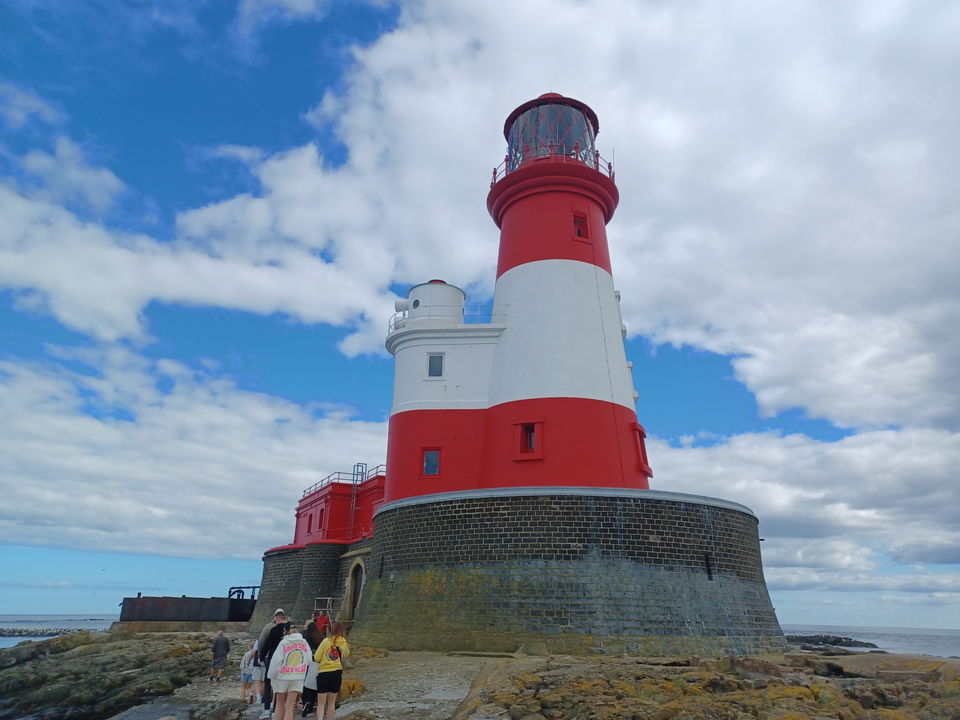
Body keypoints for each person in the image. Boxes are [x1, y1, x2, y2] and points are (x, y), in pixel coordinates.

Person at [266, 622, 309, 720]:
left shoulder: (284, 643)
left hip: (283, 677)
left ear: (285, 631)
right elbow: (309, 659)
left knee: (280, 704)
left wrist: (271, 676)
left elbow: (276, 661)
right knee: (289, 707)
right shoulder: (304, 642)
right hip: (298, 677)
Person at [313, 622, 350, 720]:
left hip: (324, 673)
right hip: (336, 673)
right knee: (331, 703)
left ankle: (320, 718)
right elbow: (346, 654)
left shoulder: (325, 641)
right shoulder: (343, 642)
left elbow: (316, 657)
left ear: (332, 629)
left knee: (321, 703)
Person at [258, 608, 289, 719]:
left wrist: (260, 657)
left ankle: (267, 710)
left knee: (268, 684)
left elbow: (264, 643)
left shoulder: (271, 628)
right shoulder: (290, 629)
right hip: (286, 662)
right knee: (280, 687)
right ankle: (276, 710)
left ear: (275, 617)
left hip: (272, 661)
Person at [300, 620, 324, 717]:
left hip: (307, 662)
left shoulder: (305, 635)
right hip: (317, 663)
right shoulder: (321, 636)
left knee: (305, 684)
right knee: (314, 685)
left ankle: (306, 703)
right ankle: (312, 704)